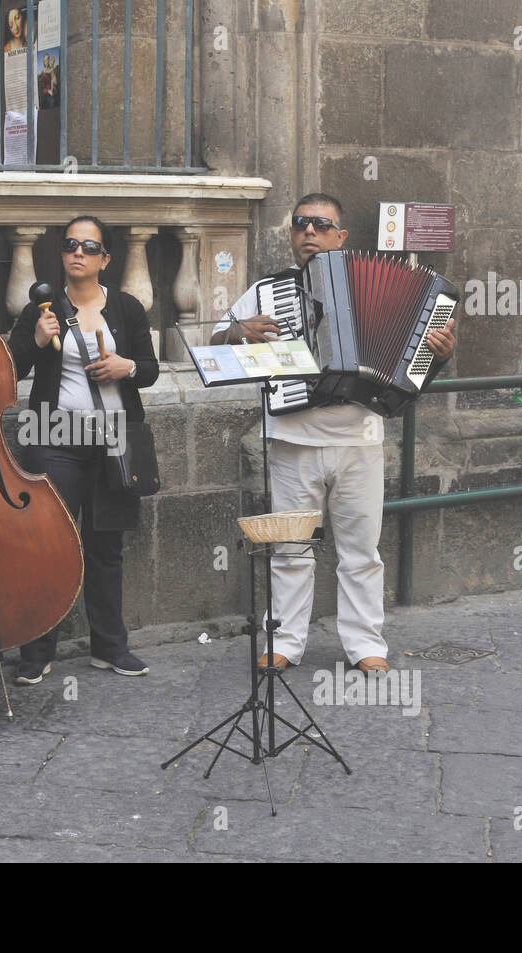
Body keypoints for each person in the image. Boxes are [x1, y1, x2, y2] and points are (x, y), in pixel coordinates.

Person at [215, 193, 456, 674]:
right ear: (291, 234)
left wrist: (442, 352)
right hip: (292, 438)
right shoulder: (268, 291)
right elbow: (217, 343)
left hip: (359, 439)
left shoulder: (382, 286)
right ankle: (284, 639)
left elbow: (415, 368)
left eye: (321, 225)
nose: (309, 232)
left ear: (340, 237)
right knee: (289, 548)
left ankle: (366, 643)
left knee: (361, 551)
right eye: (301, 224)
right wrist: (241, 333)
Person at [7, 216, 159, 684]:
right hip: (52, 434)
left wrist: (124, 365)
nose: (78, 253)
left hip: (114, 437)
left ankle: (110, 647)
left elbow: (149, 370)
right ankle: (37, 652)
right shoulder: (42, 309)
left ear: (105, 260)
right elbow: (9, 368)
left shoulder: (128, 308)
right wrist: (35, 339)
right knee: (47, 546)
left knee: (105, 546)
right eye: (71, 244)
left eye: (89, 248)